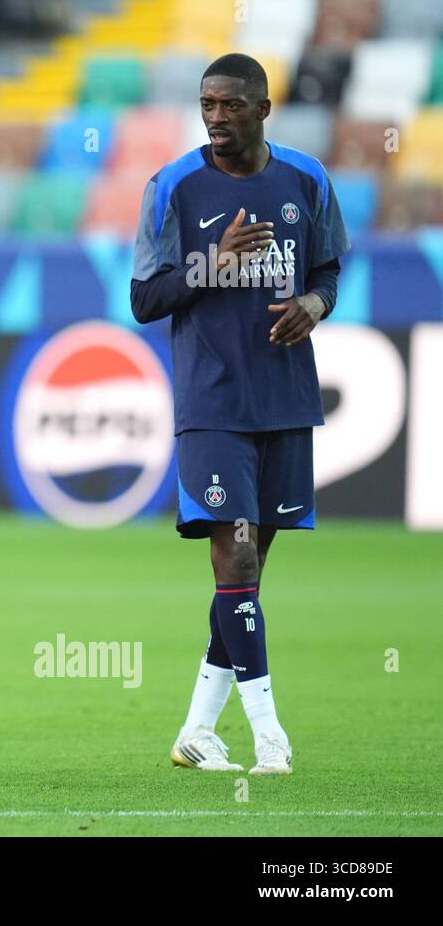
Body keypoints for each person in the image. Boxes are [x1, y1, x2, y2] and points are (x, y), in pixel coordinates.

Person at [131, 53, 350, 776]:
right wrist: (210, 264)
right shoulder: (172, 188)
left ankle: (197, 730)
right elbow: (144, 299)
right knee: (239, 557)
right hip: (212, 402)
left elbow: (328, 270)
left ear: (262, 107)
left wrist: (315, 306)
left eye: (229, 105)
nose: (215, 118)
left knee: (245, 582)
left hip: (286, 399)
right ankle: (270, 737)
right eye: (206, 104)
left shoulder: (307, 179)